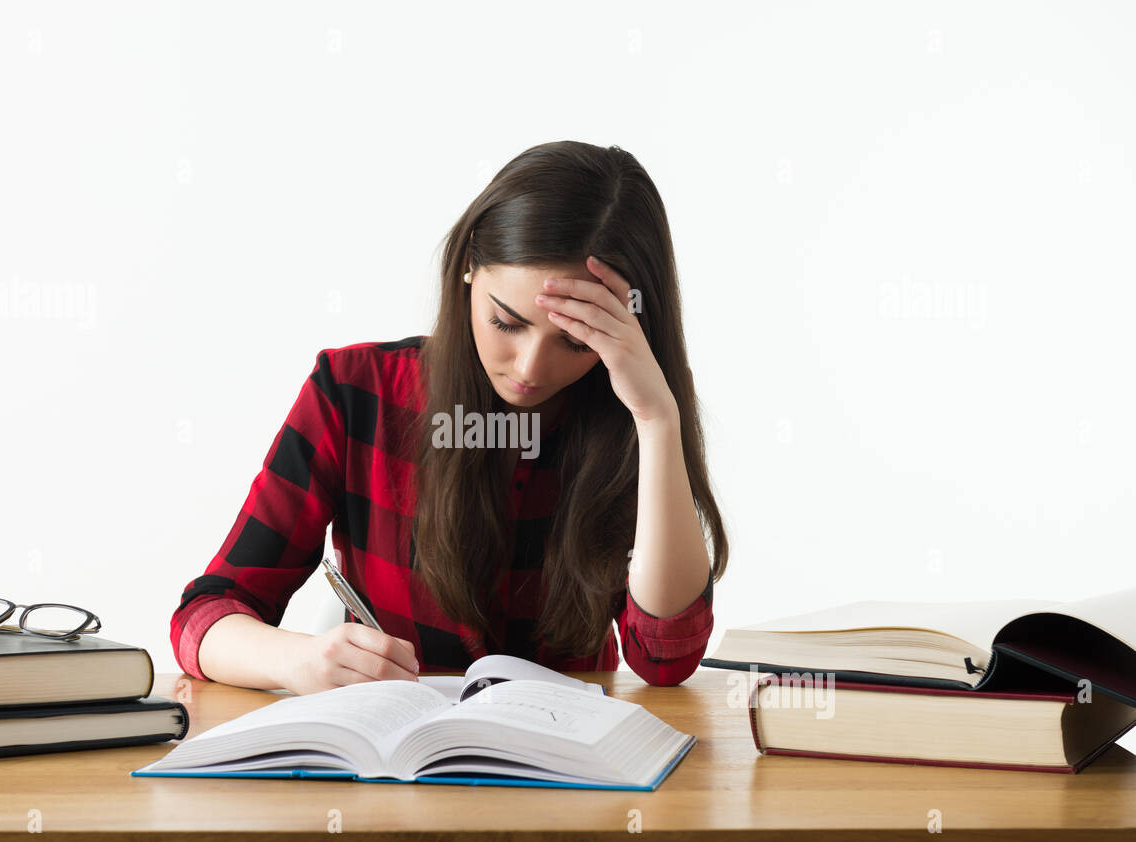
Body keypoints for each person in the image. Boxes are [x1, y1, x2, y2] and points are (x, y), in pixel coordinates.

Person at [170, 141, 728, 696]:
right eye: (506, 322)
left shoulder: (624, 417)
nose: (531, 369)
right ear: (467, 268)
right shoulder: (353, 392)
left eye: (576, 341)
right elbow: (205, 616)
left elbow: (664, 657)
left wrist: (656, 420)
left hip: (567, 764)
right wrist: (296, 660)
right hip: (394, 758)